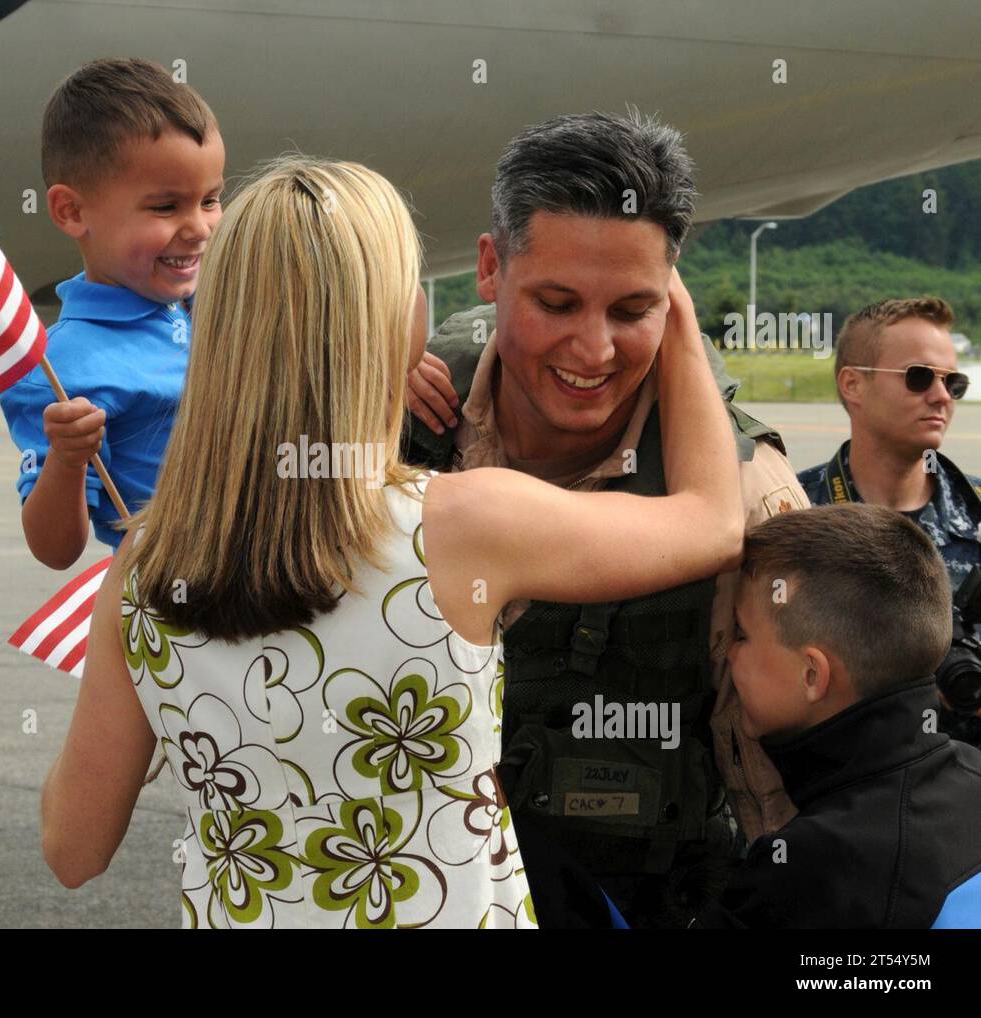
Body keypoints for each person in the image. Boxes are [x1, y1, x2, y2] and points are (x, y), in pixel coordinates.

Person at [37, 154, 744, 928]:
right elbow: (711, 520)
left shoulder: (146, 565)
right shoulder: (464, 526)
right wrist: (670, 313)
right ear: (382, 319)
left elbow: (74, 850)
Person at [404, 110, 807, 927]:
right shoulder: (399, 422)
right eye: (555, 302)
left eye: (633, 310)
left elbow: (787, 792)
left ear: (675, 302)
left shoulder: (750, 495)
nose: (592, 350)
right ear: (489, 268)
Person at [691, 504, 981, 928]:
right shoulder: (972, 778)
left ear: (812, 674)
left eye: (742, 634)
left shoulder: (812, 869)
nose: (728, 653)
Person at [0, 58, 225, 569]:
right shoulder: (59, 369)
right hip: (192, 607)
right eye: (166, 207)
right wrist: (66, 458)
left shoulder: (218, 304)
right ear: (71, 212)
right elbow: (54, 550)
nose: (200, 227)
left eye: (211, 200)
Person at [797, 297, 981, 746]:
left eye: (953, 383)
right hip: (842, 789)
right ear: (853, 385)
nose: (940, 396)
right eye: (918, 378)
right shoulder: (795, 514)